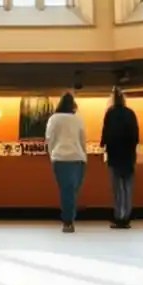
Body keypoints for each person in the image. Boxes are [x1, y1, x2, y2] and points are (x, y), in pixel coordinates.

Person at [45, 92, 87, 233]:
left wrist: (52, 154)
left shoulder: (54, 119)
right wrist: (84, 156)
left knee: (65, 190)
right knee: (73, 190)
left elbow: (50, 139)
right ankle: (69, 218)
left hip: (60, 158)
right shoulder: (78, 119)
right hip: (77, 158)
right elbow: (82, 140)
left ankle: (68, 221)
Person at [99, 87, 140, 229]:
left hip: (114, 156)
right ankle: (127, 216)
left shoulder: (110, 114)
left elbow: (105, 134)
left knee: (117, 188)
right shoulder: (130, 114)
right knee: (128, 187)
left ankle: (118, 215)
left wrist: (103, 145)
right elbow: (136, 136)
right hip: (128, 156)